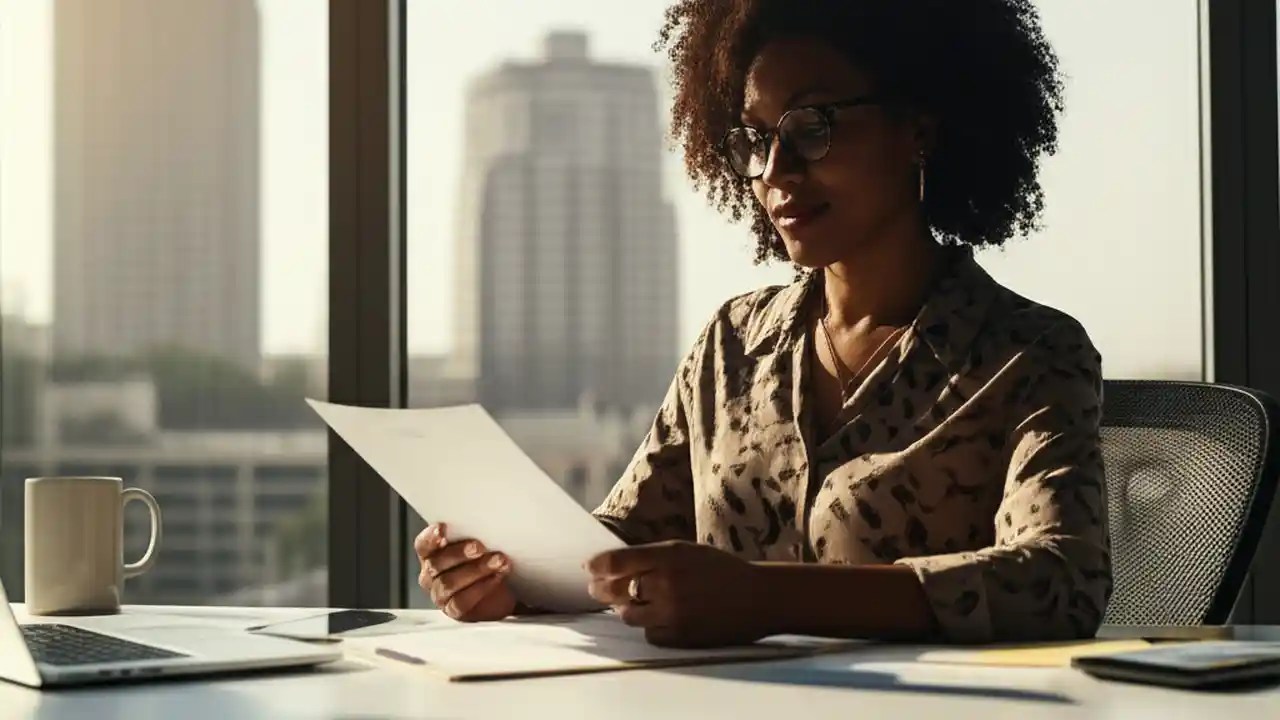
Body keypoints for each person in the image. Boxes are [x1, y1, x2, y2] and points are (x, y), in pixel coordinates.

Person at [415, 0, 1111, 648]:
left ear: (917, 129)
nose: (776, 170)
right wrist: (512, 574)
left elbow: (1060, 580)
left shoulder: (1029, 354)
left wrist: (765, 597)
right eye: (755, 137)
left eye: (812, 128)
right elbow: (625, 538)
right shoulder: (731, 345)